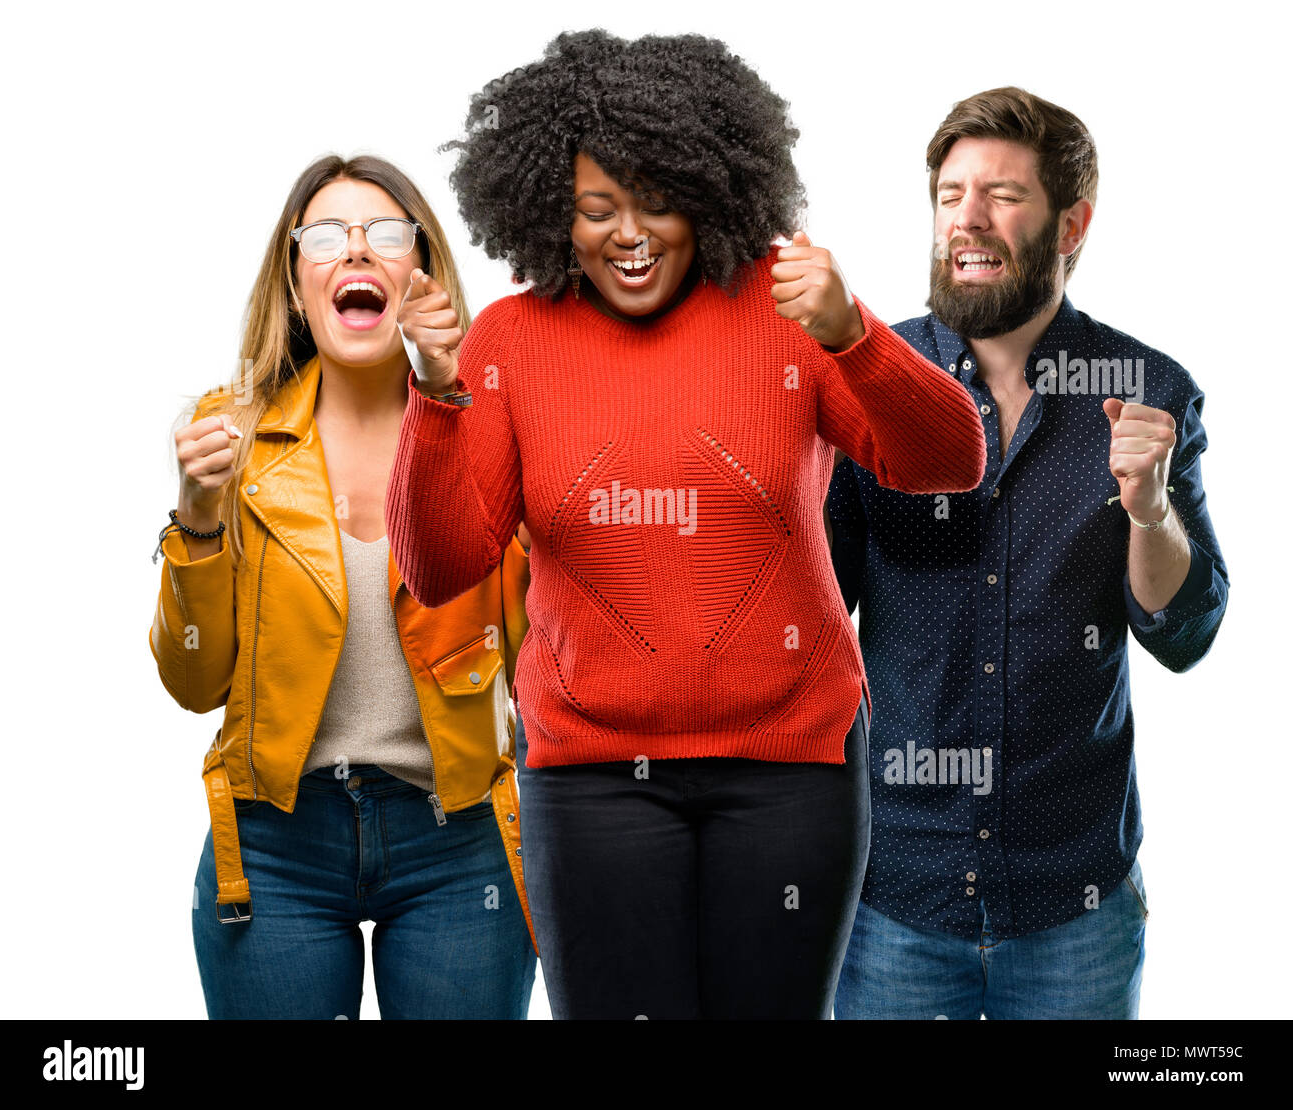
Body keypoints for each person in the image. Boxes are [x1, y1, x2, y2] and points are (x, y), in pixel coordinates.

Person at [385, 30, 987, 1019]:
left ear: (709, 192)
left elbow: (949, 462)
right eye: (596, 207)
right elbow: (444, 564)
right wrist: (439, 396)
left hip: (790, 772)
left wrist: (852, 335)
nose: (630, 232)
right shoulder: (510, 340)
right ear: (548, 211)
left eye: (658, 200)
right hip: (591, 784)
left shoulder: (789, 307)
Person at [828, 87, 1229, 1020]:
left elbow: (1186, 631)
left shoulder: (1148, 390)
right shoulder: (869, 383)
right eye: (949, 194)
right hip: (897, 900)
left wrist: (1148, 507)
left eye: (1001, 196)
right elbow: (809, 606)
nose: (966, 220)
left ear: (1072, 222)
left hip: (1074, 909)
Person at [149, 154, 536, 1019]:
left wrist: (453, 398)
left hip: (457, 838)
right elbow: (191, 682)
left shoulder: (489, 432)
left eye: (385, 234)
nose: (356, 251)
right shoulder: (233, 438)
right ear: (295, 284)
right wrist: (197, 521)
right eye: (326, 236)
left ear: (419, 276)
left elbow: (541, 651)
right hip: (275, 842)